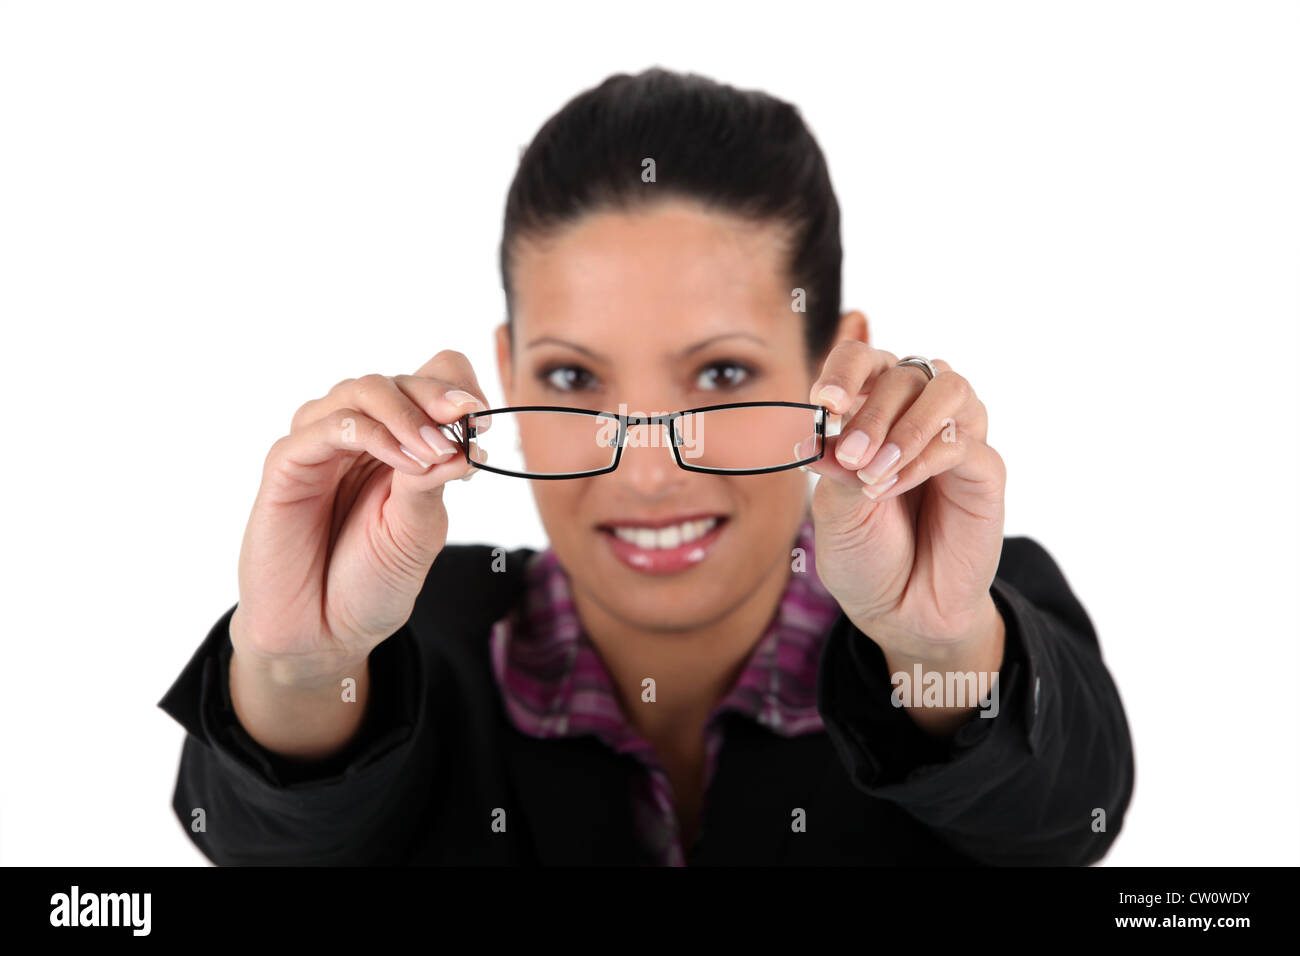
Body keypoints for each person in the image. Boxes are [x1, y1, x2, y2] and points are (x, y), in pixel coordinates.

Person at [159, 68, 1134, 866]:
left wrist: (930, 652)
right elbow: (260, 845)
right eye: (573, 375)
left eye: (720, 372)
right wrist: (303, 663)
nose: (651, 470)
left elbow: (1056, 817)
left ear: (833, 368)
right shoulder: (416, 648)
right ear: (506, 375)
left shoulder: (980, 609)